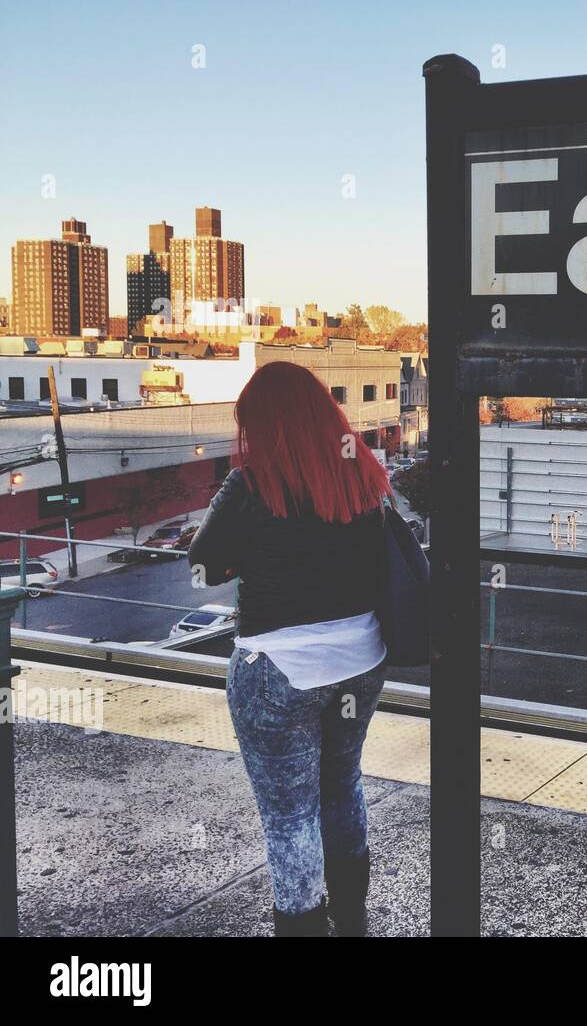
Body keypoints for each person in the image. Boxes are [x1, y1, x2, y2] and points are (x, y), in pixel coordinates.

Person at [188, 361, 393, 937]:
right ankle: (350, 921)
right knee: (342, 785)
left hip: (278, 669)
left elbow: (204, 568)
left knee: (287, 815)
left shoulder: (251, 484)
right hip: (361, 661)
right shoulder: (362, 475)